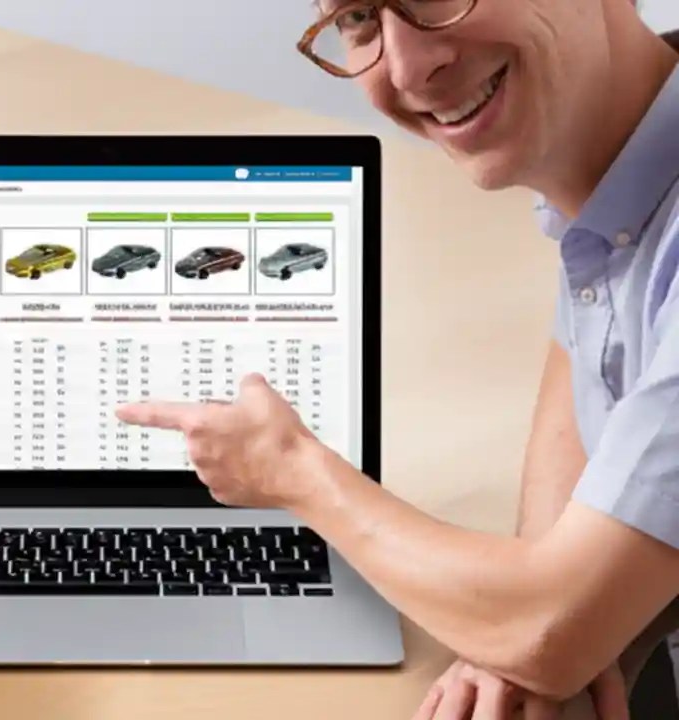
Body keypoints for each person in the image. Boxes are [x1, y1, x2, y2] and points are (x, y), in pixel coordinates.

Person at [116, 1, 679, 718]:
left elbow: (550, 626)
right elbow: (587, 350)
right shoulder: (617, 167)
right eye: (357, 17)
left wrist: (296, 474)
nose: (409, 67)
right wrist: (514, 615)